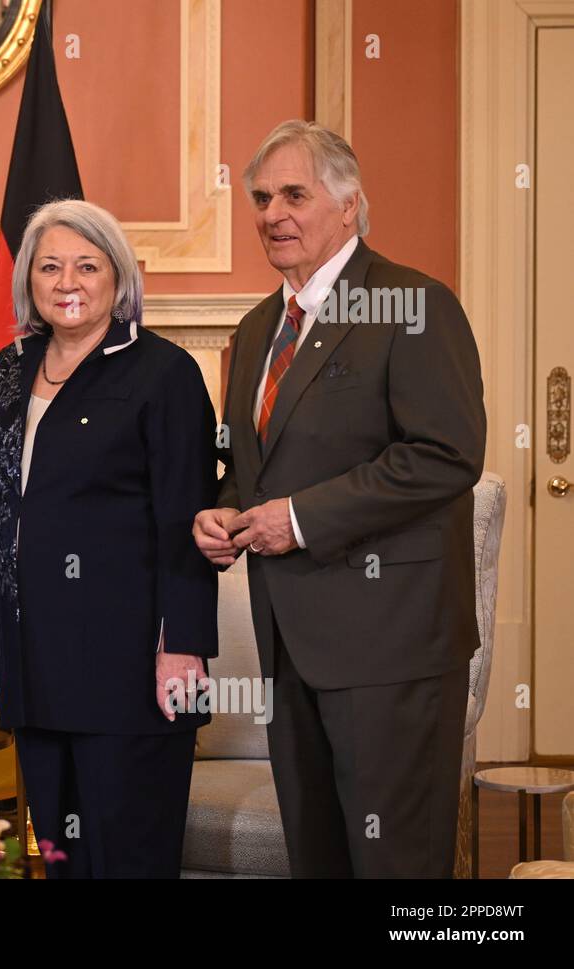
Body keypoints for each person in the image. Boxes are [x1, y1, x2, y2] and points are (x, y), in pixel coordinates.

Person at [193, 120, 486, 877]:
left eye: (295, 193)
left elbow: (444, 455)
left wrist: (298, 519)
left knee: (395, 865)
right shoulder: (259, 327)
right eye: (261, 197)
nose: (271, 213)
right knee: (317, 857)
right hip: (289, 643)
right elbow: (248, 464)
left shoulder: (413, 303)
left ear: (349, 205)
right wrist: (224, 507)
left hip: (391, 642)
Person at [0, 200, 218, 878]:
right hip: (31, 654)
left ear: (118, 277)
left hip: (130, 665)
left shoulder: (163, 373)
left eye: (86, 265)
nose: (67, 281)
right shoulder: (11, 368)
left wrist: (184, 646)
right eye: (50, 266)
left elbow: (187, 516)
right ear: (29, 280)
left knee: (126, 854)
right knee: (60, 850)